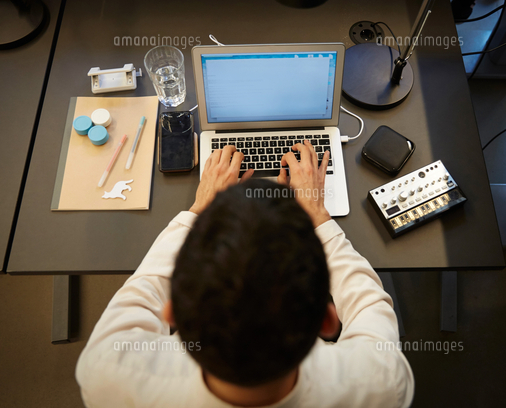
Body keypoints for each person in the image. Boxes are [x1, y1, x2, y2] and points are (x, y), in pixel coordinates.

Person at [76, 141, 414, 407]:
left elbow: (143, 287)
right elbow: (370, 304)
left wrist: (200, 207)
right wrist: (316, 212)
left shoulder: (108, 373)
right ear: (328, 321)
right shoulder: (380, 385)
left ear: (172, 312)